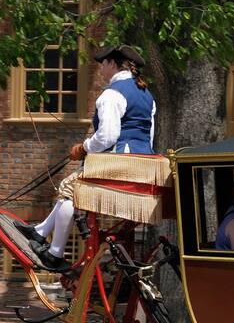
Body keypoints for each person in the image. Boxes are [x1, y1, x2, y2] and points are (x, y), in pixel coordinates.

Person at [18, 44, 156, 267]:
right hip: (142, 165)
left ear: (113, 64)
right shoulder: (147, 96)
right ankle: (40, 232)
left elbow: (108, 136)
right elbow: (148, 137)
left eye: (103, 64)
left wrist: (84, 147)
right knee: (74, 183)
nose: (101, 70)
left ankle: (54, 254)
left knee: (70, 189)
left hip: (120, 162)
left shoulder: (112, 94)